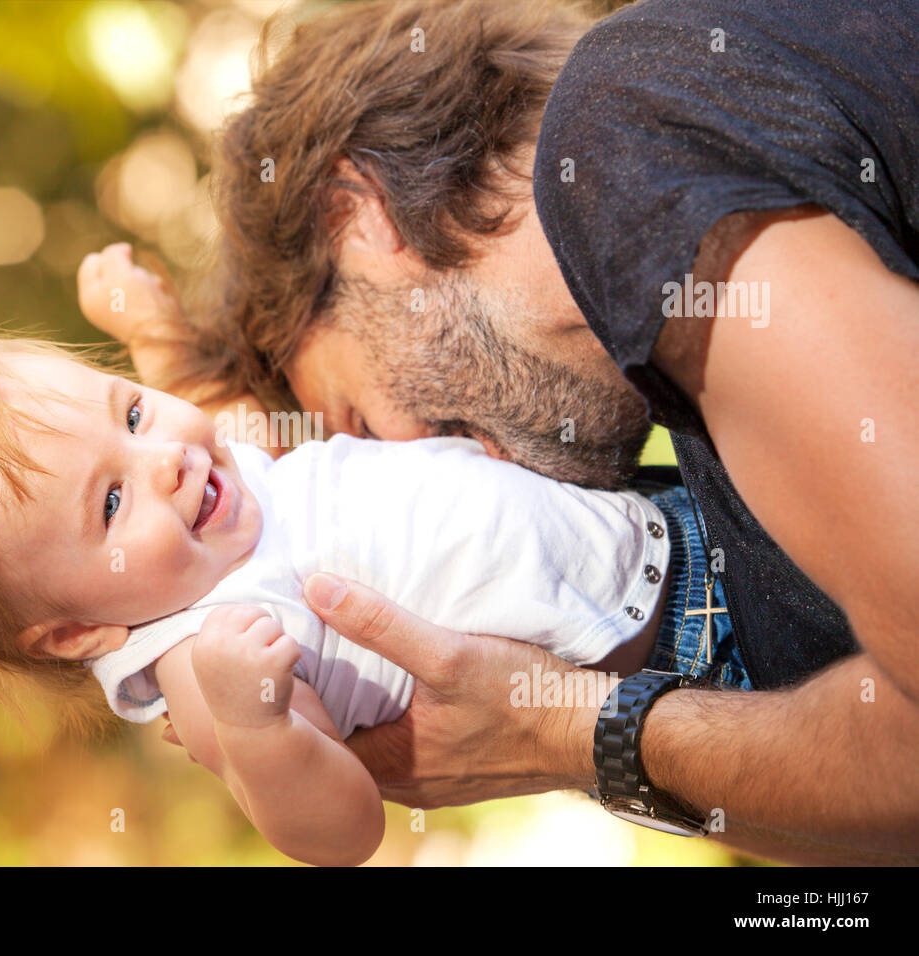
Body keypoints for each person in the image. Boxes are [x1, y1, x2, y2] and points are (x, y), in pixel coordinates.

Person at [118, 0, 919, 863]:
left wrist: (559, 733)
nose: (427, 463)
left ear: (353, 217)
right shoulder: (706, 443)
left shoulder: (621, 127)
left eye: (358, 426)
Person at [0, 313, 751, 864]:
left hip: (665, 517)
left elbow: (227, 420)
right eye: (110, 501)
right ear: (75, 631)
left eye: (135, 413)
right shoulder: (206, 648)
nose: (162, 459)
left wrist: (156, 333)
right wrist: (257, 724)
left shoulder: (222, 497)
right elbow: (336, 831)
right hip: (688, 656)